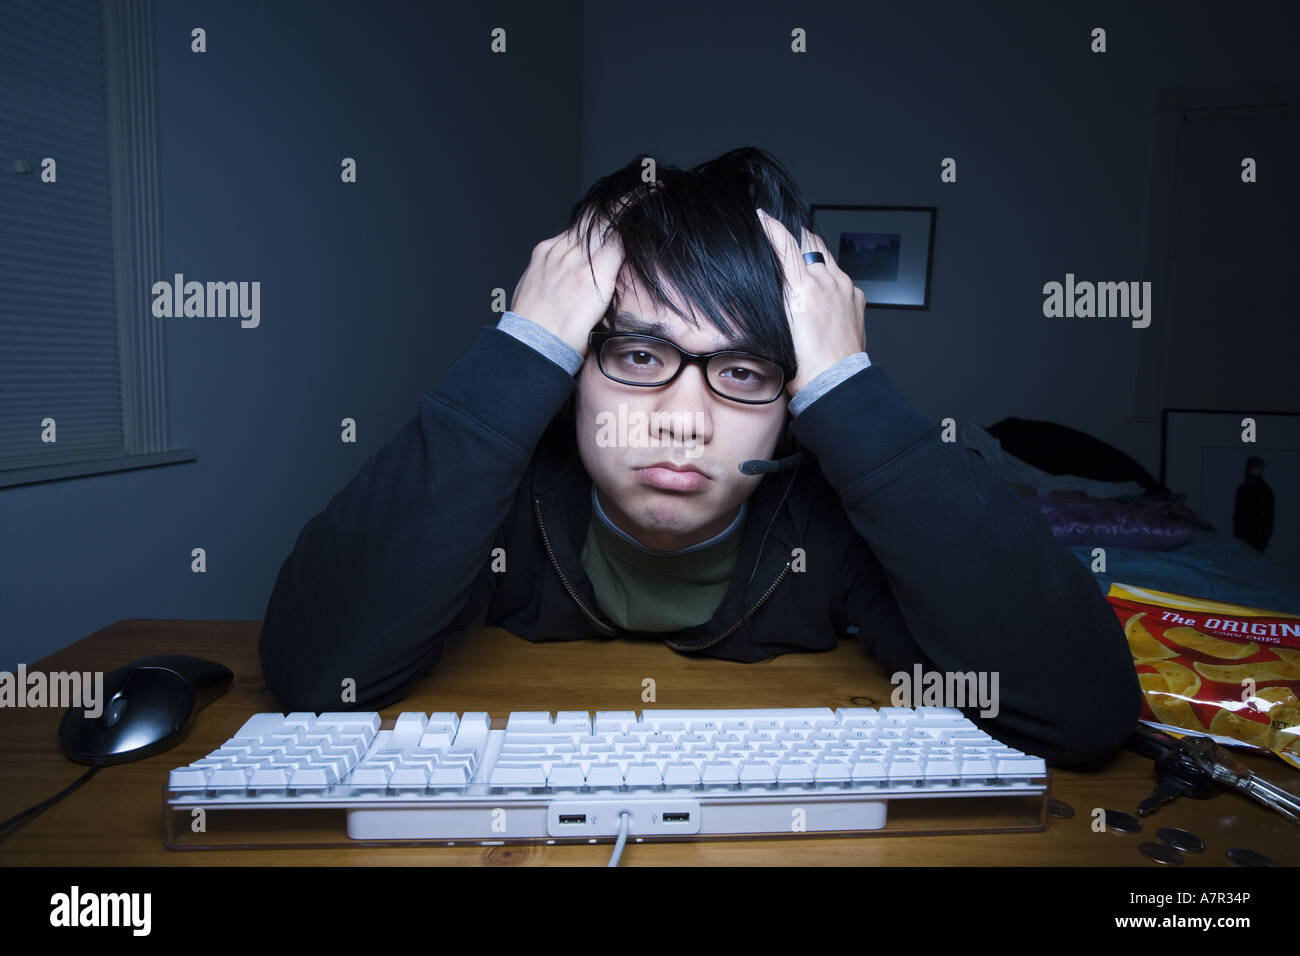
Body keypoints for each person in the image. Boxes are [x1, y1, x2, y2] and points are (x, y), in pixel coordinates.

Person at [258, 146, 1142, 767]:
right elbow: (316, 672)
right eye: (640, 357)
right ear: (572, 370)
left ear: (795, 404)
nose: (684, 420)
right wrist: (520, 349)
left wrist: (850, 386)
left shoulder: (828, 525)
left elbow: (1082, 710)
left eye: (744, 371)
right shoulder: (495, 503)